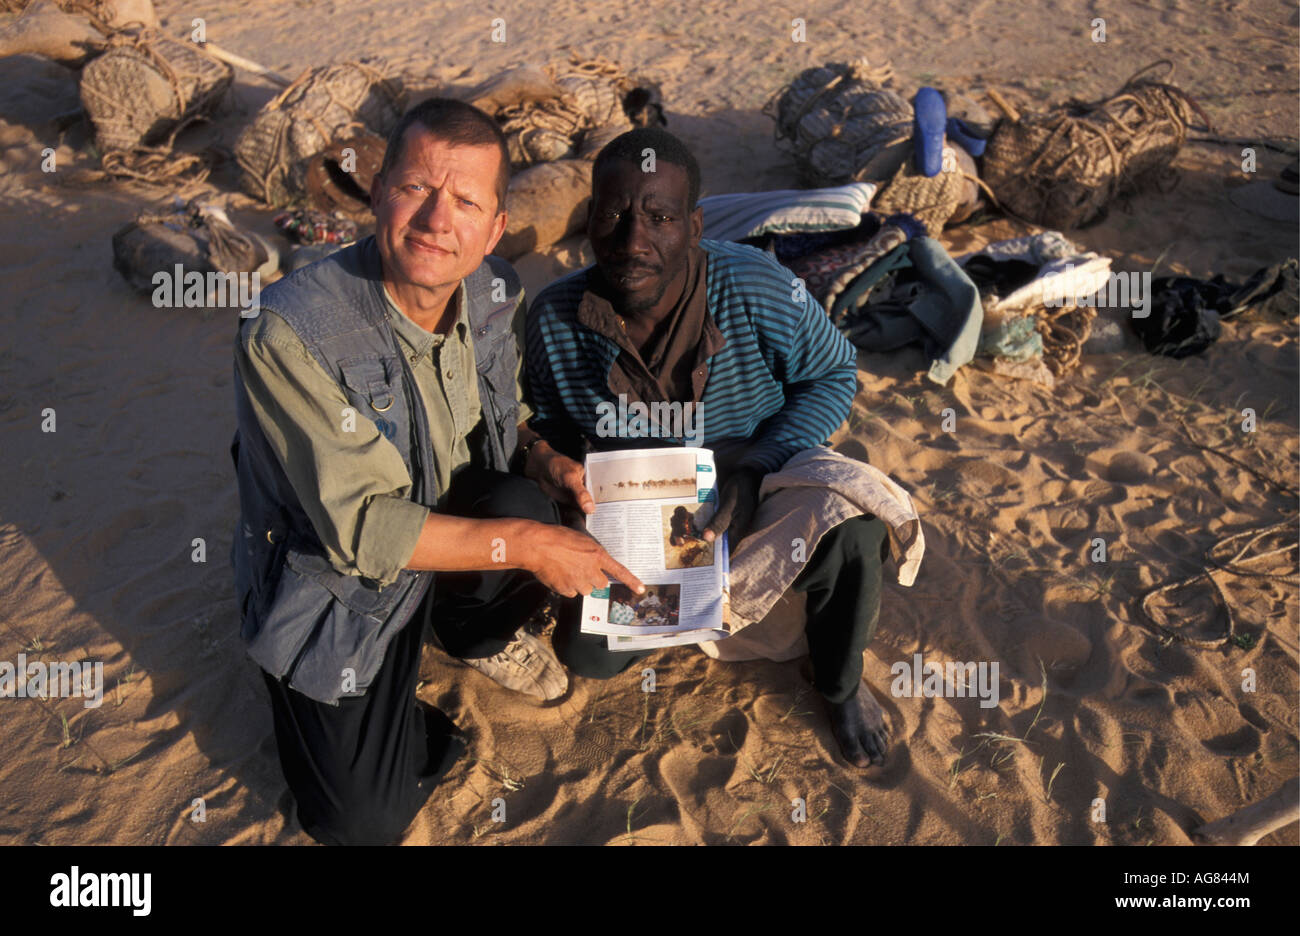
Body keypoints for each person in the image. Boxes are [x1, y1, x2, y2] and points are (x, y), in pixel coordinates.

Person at [229, 98, 643, 846]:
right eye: (415, 188)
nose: (435, 220)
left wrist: (542, 457)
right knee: (358, 824)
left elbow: (506, 410)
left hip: (449, 529)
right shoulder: (287, 331)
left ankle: (469, 636)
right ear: (377, 192)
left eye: (465, 202)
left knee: (529, 502)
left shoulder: (496, 291)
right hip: (340, 574)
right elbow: (362, 529)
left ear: (494, 227)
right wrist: (528, 545)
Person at [525, 127, 894, 769]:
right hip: (646, 518)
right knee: (589, 656)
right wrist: (562, 478)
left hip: (762, 477)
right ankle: (694, 609)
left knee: (853, 526)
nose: (633, 241)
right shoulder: (557, 319)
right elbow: (546, 427)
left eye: (660, 218)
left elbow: (834, 375)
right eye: (612, 216)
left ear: (694, 226)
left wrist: (757, 465)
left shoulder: (755, 286)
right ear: (588, 222)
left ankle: (840, 680)